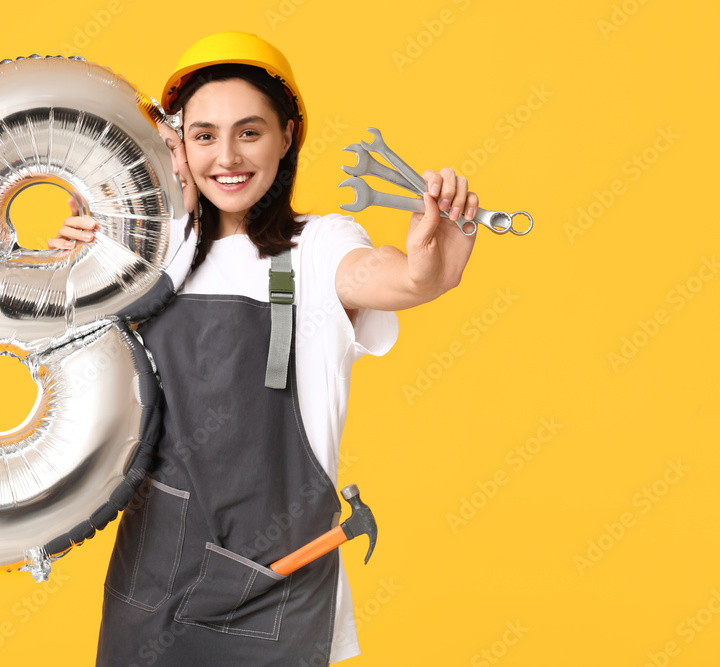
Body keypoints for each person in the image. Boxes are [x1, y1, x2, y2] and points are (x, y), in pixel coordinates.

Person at [51, 31, 477, 666]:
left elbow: (386, 276)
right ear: (176, 144)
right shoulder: (142, 257)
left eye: (249, 132)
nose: (227, 156)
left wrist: (426, 272)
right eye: (204, 135)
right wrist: (74, 274)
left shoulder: (317, 248)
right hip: (152, 585)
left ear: (286, 137)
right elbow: (67, 386)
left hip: (275, 589)